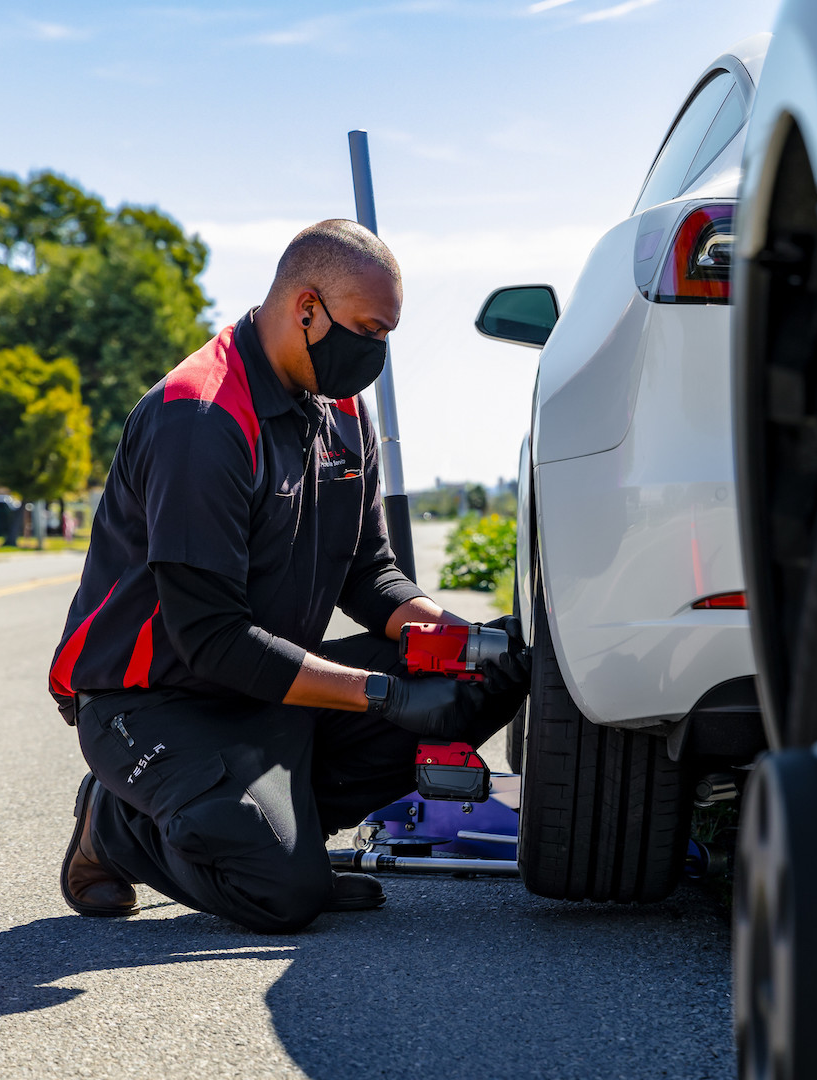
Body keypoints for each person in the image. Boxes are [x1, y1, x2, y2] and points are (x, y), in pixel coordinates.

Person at [47, 219, 529, 933]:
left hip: (269, 686)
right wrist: (384, 694)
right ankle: (116, 824)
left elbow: (369, 572)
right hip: (155, 703)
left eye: (387, 334)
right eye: (368, 331)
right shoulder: (202, 418)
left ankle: (276, 827)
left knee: (489, 672)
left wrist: (458, 640)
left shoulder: (340, 408)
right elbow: (211, 639)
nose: (377, 354)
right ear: (307, 308)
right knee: (283, 893)